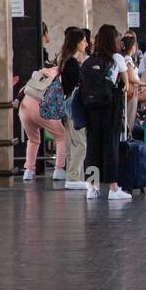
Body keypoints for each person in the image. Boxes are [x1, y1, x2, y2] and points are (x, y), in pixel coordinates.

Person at [83, 24, 133, 201]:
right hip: (110, 108)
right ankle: (113, 188)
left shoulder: (89, 60)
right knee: (110, 145)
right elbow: (126, 85)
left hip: (91, 108)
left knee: (93, 146)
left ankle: (92, 187)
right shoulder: (117, 58)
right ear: (113, 40)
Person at [18, 63, 67, 182]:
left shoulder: (40, 73)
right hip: (40, 107)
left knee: (33, 140)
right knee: (61, 137)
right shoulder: (60, 74)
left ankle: (28, 171)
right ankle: (59, 170)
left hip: (24, 108)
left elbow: (23, 90)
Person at [58, 27, 89, 191]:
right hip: (74, 106)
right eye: (83, 40)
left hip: (67, 106)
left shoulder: (65, 60)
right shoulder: (72, 63)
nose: (86, 43)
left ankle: (73, 175)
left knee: (71, 142)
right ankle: (73, 177)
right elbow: (81, 84)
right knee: (80, 142)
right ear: (77, 42)